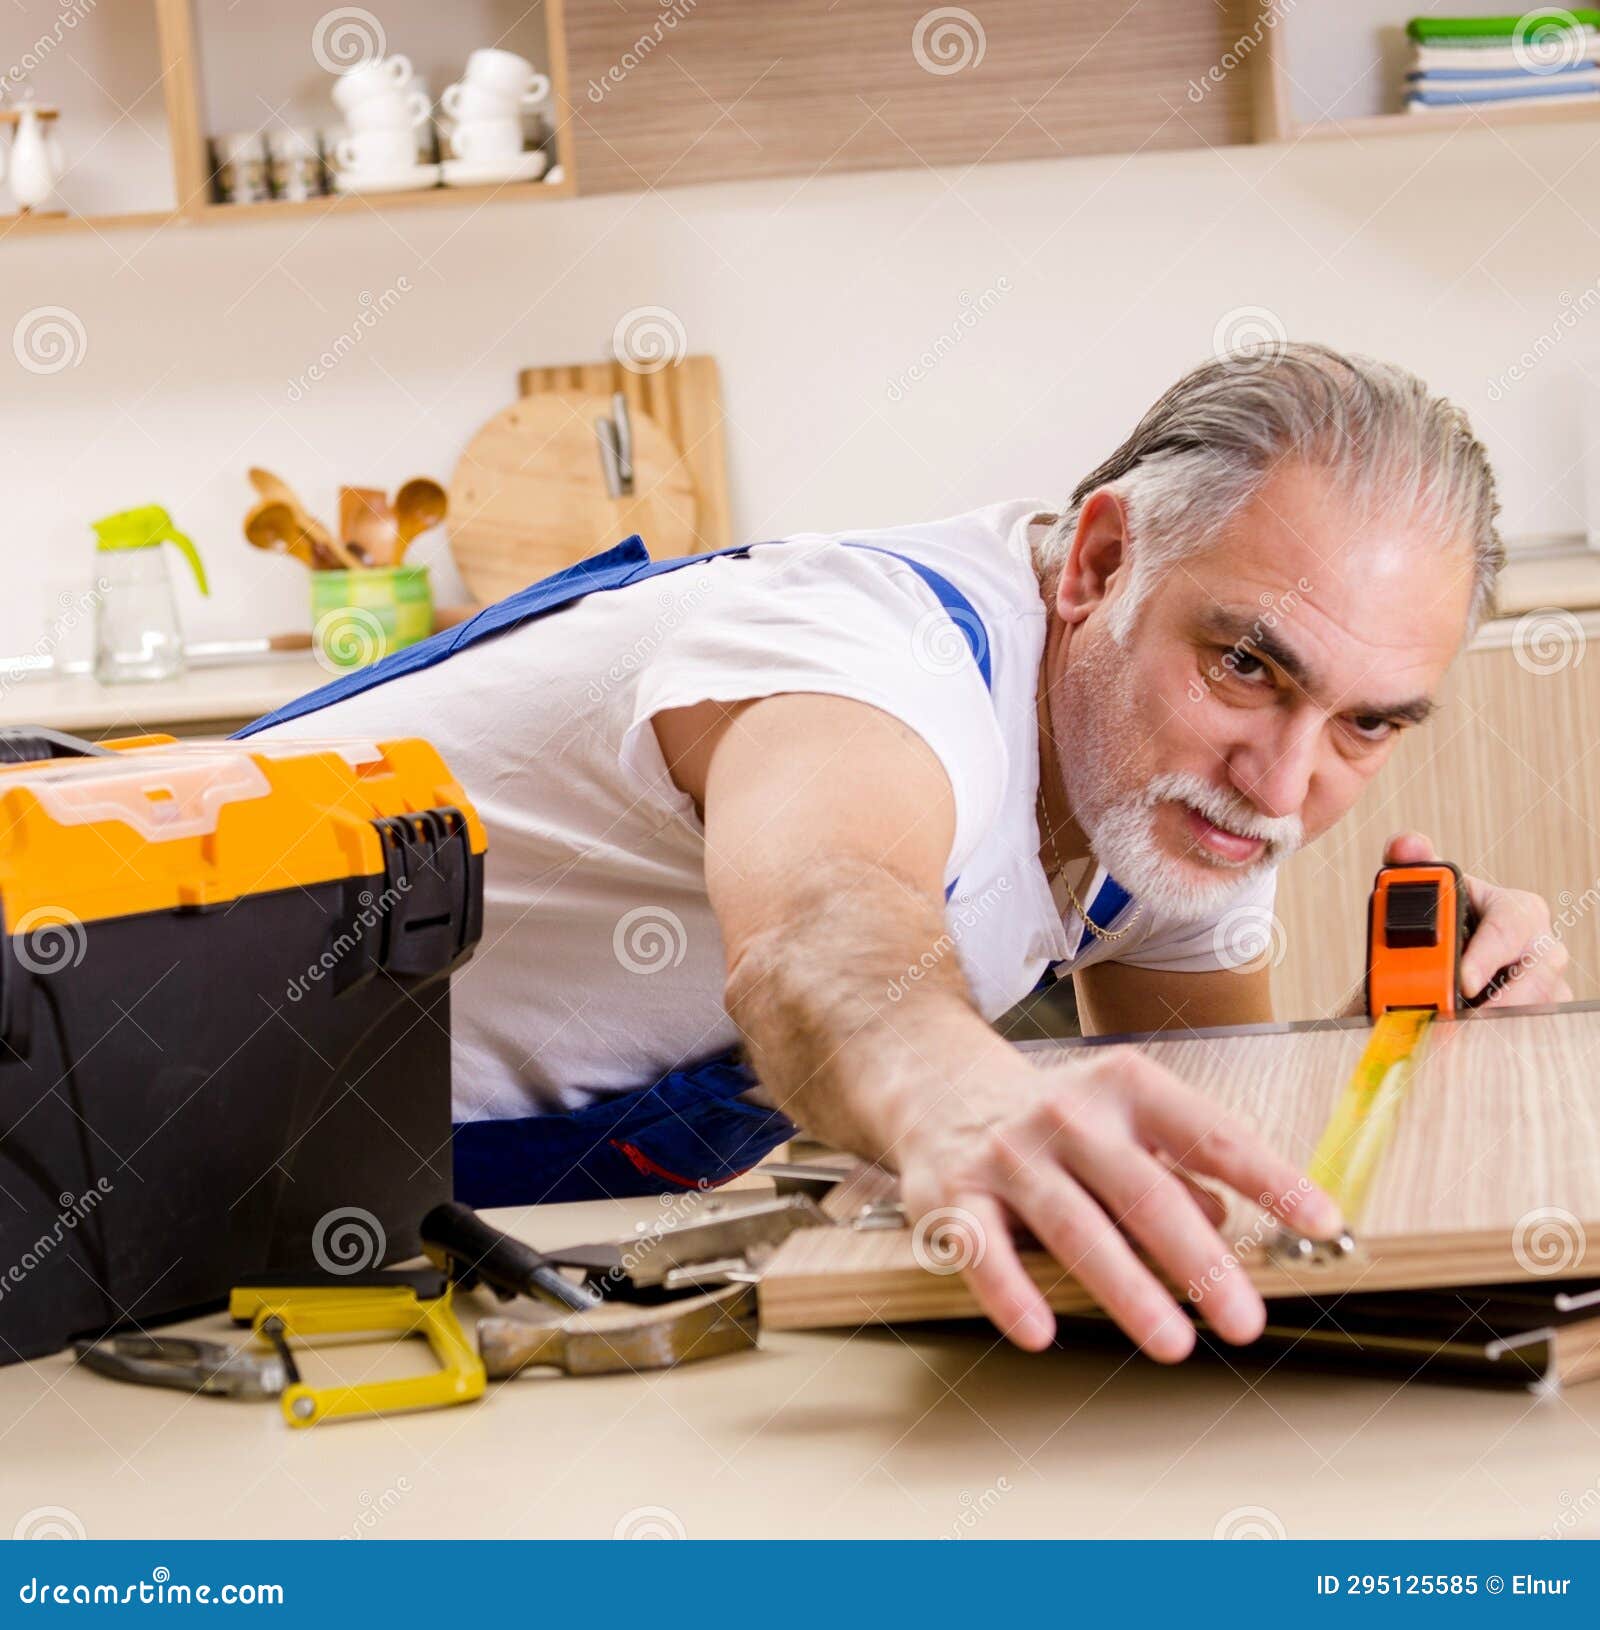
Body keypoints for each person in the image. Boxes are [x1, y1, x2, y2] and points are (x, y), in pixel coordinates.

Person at [245, 343, 1567, 1362]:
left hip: (410, 1211)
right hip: (156, 1102)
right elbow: (823, 933)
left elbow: (1197, 1144)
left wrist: (1389, 1047)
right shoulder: (871, 658)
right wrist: (955, 1094)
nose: (1283, 786)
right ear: (1100, 562)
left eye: (1366, 723)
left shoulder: (1191, 795)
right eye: (1245, 665)